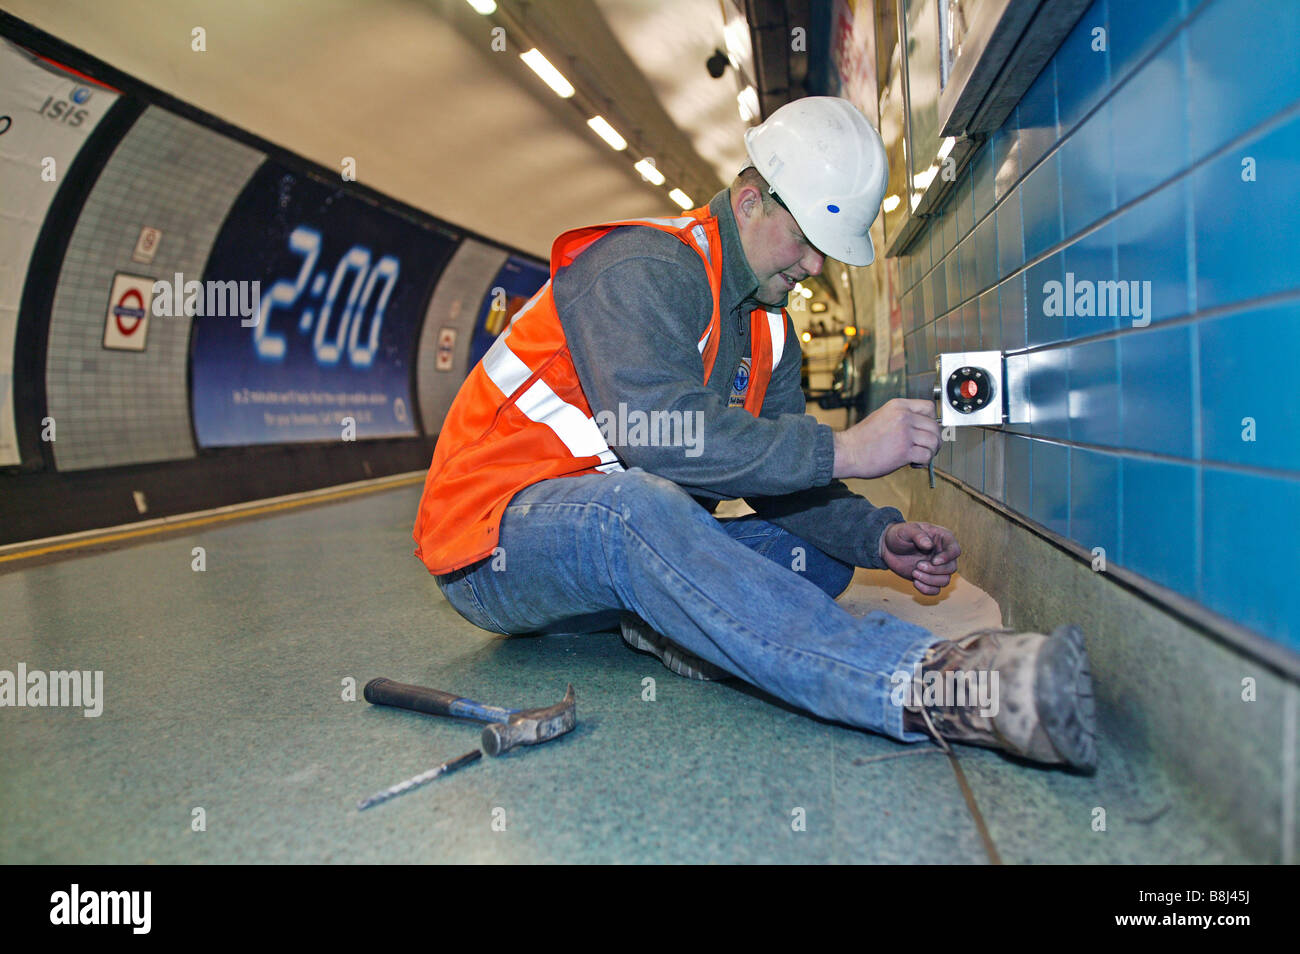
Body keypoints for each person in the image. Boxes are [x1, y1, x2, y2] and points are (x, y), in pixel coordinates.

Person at [413, 96, 1095, 771]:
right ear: (749, 201)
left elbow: (786, 478)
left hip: (606, 559)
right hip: (495, 541)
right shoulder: (642, 266)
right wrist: (851, 446)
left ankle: (665, 624)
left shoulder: (770, 327)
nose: (814, 268)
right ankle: (928, 685)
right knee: (635, 508)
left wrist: (877, 539)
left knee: (817, 558)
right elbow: (656, 436)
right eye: (805, 240)